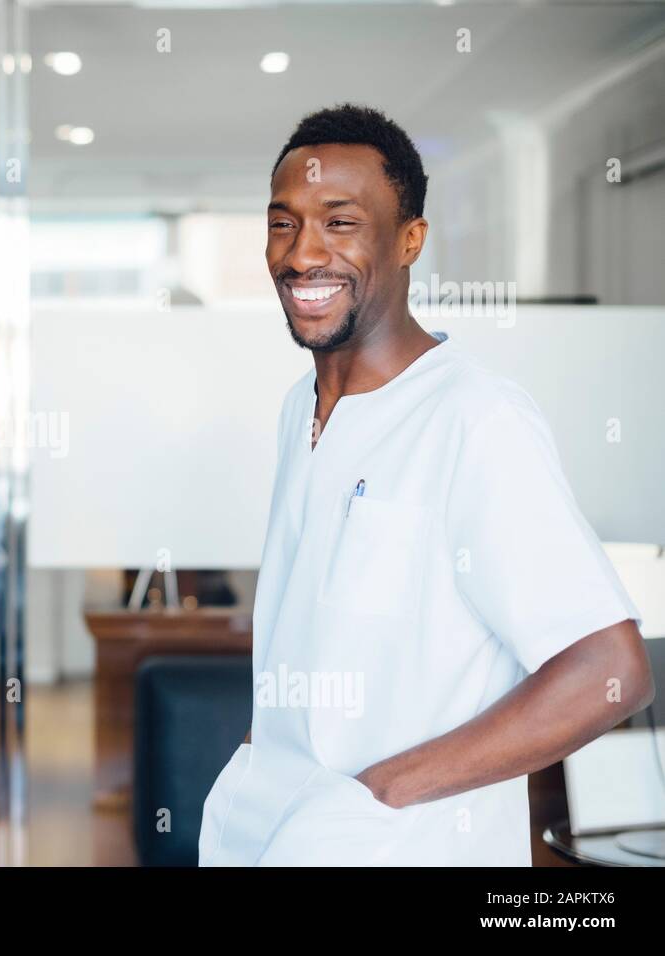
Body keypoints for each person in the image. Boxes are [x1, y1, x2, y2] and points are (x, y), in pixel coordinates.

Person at [198, 104, 655, 866]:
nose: (303, 252)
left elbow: (609, 671)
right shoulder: (299, 410)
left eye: (340, 223)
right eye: (284, 224)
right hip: (264, 830)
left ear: (410, 240)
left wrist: (382, 792)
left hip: (391, 844)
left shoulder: (474, 419)